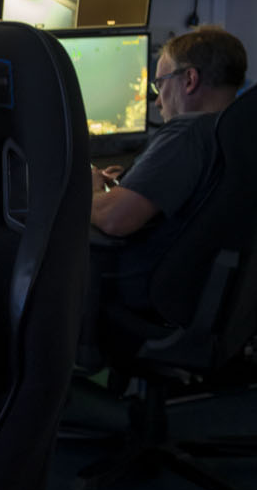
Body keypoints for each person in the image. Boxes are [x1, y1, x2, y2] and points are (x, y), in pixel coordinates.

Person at [90, 26, 246, 312]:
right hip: (202, 292)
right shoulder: (239, 131)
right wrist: (126, 187)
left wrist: (89, 188)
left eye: (160, 84)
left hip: (143, 290)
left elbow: (114, 219)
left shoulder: (187, 133)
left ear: (189, 80)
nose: (158, 101)